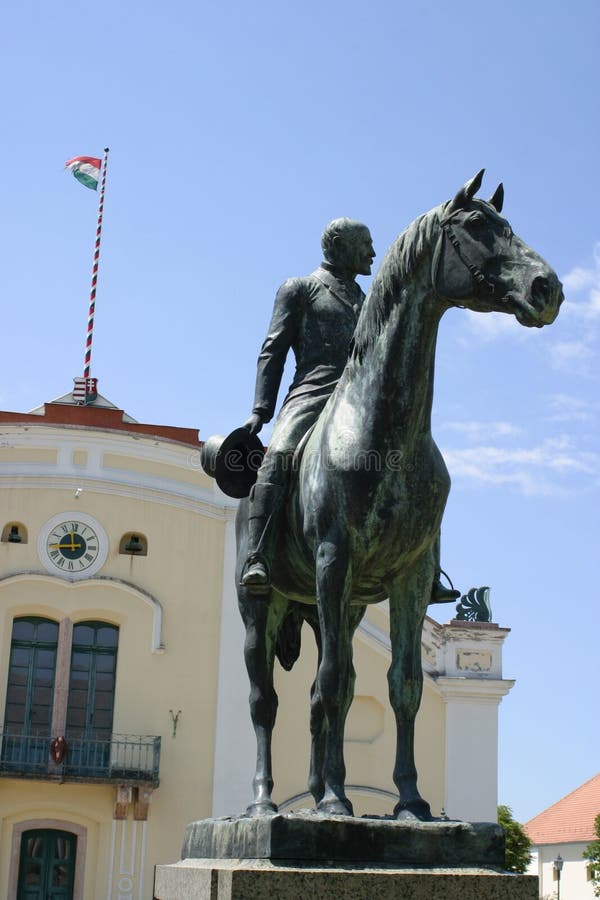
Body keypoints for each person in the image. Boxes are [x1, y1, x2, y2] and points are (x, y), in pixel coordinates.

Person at [241, 218, 459, 605]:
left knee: (421, 467)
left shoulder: (370, 298)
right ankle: (259, 554)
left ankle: (429, 568)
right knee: (277, 457)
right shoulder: (301, 289)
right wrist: (261, 410)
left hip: (361, 400)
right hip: (313, 392)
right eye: (365, 245)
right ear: (339, 245)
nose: (372, 254)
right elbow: (272, 350)